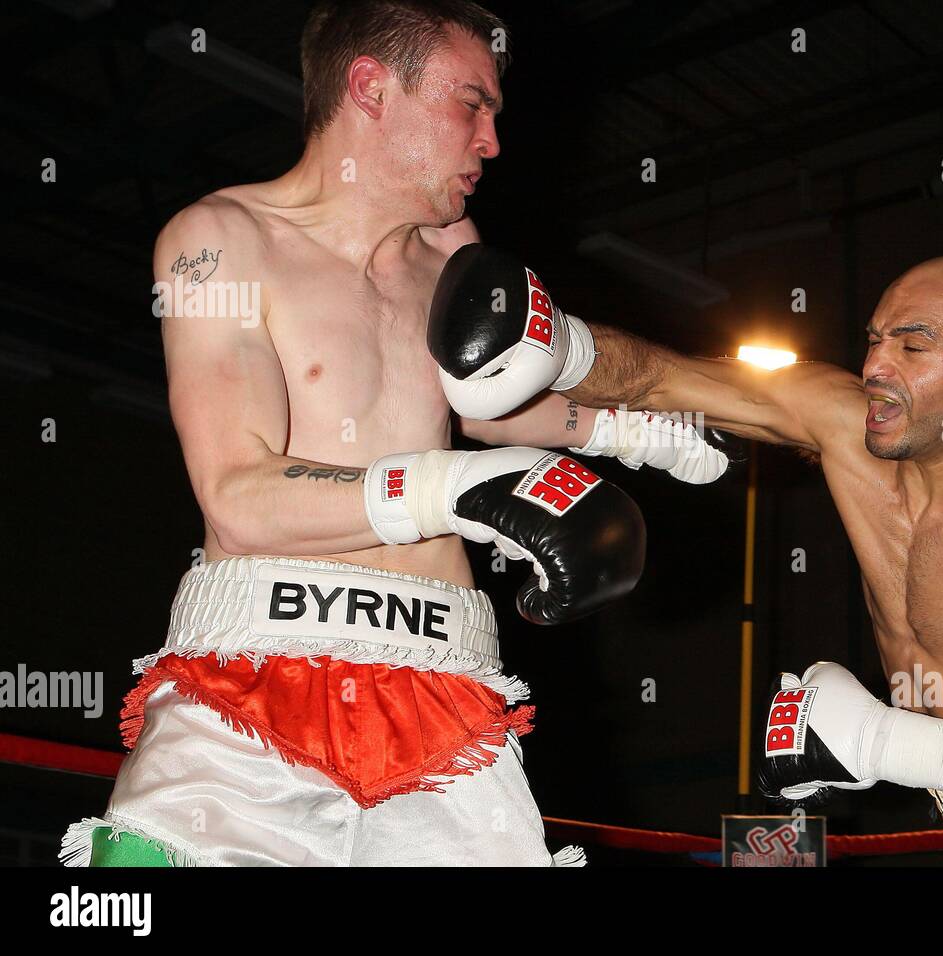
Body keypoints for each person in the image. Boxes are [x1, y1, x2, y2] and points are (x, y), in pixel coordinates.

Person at [61, 0, 724, 868]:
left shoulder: (455, 251)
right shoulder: (220, 241)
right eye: (471, 104)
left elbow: (488, 408)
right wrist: (460, 489)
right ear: (371, 87)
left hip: (448, 695)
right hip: (256, 674)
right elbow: (238, 494)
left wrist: (644, 433)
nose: (490, 139)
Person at [431, 247, 943, 866]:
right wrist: (560, 345)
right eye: (875, 338)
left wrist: (875, 742)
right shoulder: (845, 424)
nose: (878, 367)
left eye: (913, 346)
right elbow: (669, 377)